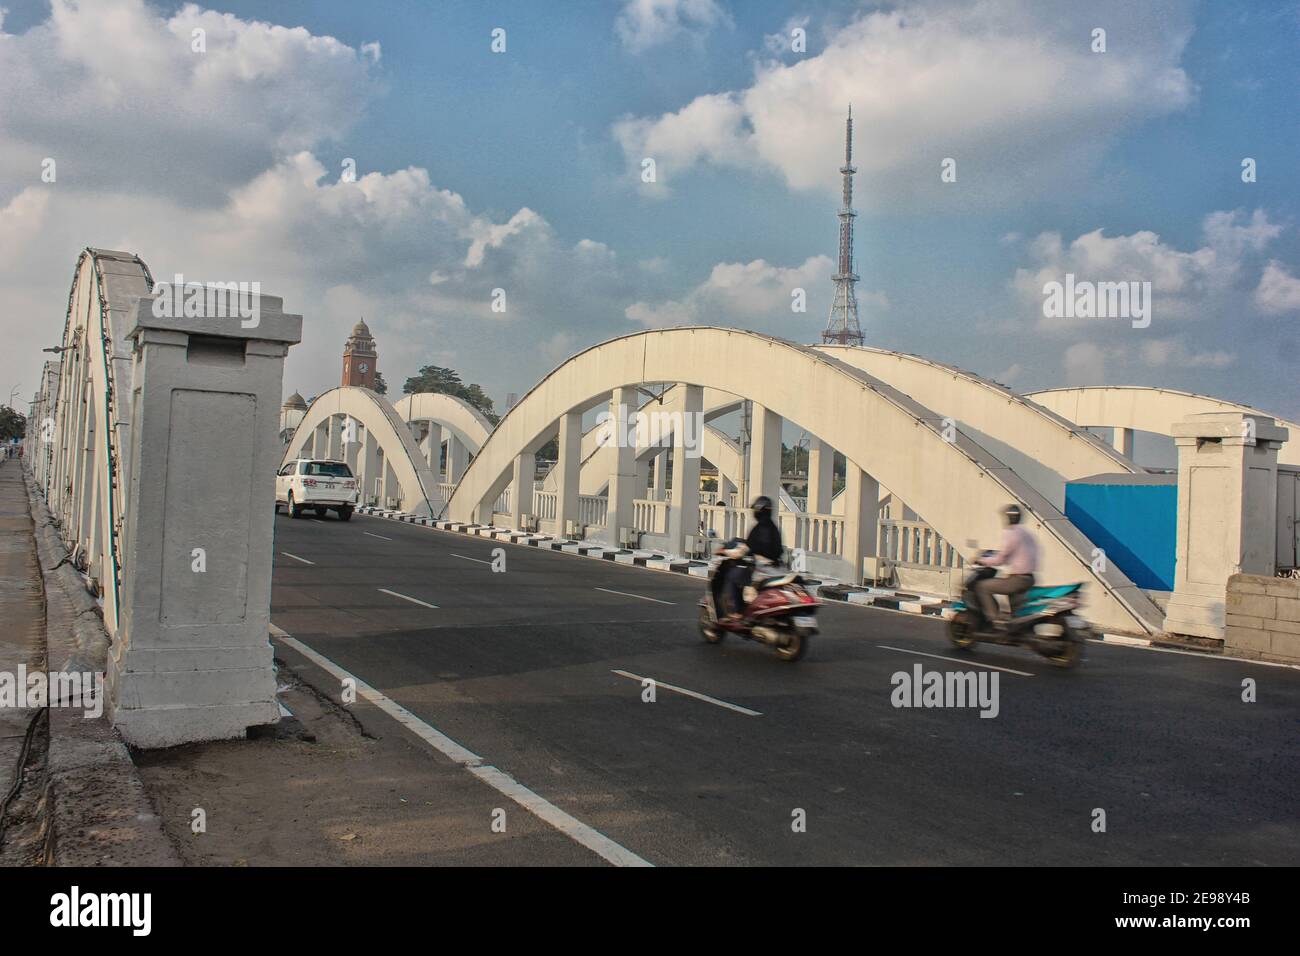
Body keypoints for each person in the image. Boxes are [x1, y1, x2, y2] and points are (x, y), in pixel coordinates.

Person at [974, 503, 1038, 629]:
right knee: (1011, 596)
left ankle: (995, 620)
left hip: (1017, 579)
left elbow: (1000, 559)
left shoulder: (1011, 533)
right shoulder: (1027, 534)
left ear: (1008, 518)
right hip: (1030, 578)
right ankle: (1013, 623)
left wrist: (982, 560)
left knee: (982, 587)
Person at [722, 496, 784, 621]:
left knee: (733, 576)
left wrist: (728, 552)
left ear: (758, 510)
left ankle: (737, 611)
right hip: (777, 568)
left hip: (761, 569)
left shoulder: (758, 529)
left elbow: (745, 549)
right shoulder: (774, 528)